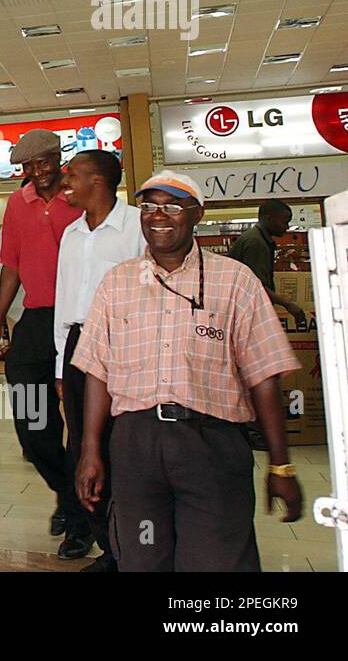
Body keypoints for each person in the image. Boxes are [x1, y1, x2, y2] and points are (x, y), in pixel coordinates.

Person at [73, 171, 303, 572]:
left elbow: (264, 376)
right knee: (142, 559)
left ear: (197, 214)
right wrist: (90, 450)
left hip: (211, 446)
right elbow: (97, 371)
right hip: (135, 447)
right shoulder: (117, 283)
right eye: (148, 206)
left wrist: (281, 464)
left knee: (217, 562)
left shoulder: (235, 281)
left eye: (173, 206)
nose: (158, 216)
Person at [0, 129, 85, 556]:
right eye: (28, 166)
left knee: (82, 425)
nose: (37, 172)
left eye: (43, 162)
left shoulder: (78, 195)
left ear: (57, 157)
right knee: (32, 425)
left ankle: (82, 520)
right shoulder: (16, 203)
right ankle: (69, 493)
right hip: (37, 319)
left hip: (83, 322)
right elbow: (11, 264)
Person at [52, 149, 144, 572]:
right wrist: (59, 366)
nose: (64, 181)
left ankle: (135, 544)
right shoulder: (71, 234)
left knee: (121, 444)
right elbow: (63, 302)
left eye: (73, 175)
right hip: (77, 344)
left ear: (100, 181)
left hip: (124, 345)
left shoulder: (135, 229)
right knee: (81, 447)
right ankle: (106, 543)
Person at [229, 200, 306, 329]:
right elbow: (256, 287)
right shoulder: (256, 243)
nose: (287, 227)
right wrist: (289, 305)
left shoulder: (256, 238)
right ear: (269, 218)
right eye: (284, 221)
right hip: (248, 312)